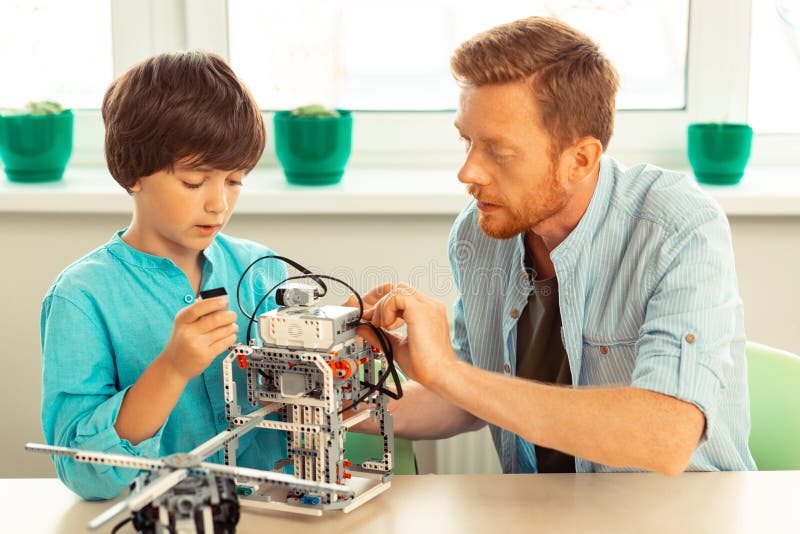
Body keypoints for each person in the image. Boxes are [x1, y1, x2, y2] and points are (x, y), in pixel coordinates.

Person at [354, 17, 755, 474]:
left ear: (580, 159)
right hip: (545, 513)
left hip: (679, 515)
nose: (467, 172)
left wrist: (450, 374)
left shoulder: (676, 228)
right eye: (466, 141)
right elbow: (470, 400)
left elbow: (666, 435)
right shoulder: (480, 232)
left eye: (498, 152)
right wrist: (335, 398)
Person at [40, 51, 287, 500]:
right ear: (133, 173)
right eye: (195, 182)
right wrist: (172, 368)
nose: (219, 204)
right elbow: (84, 474)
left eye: (235, 181)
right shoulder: (81, 297)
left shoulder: (261, 270)